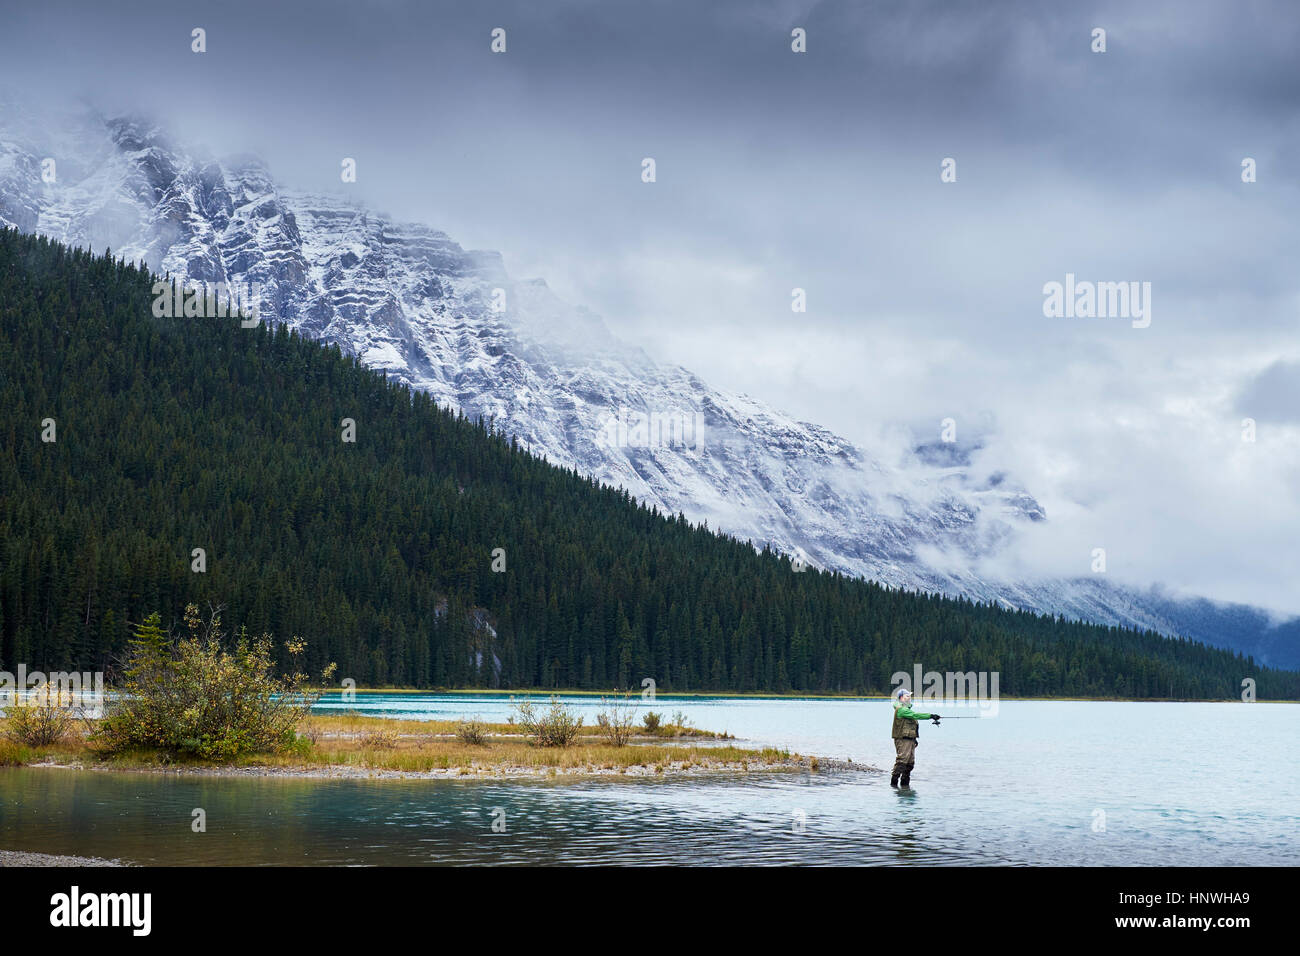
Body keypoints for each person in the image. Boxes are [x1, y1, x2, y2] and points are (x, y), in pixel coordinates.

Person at [890, 687, 939, 787]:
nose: (909, 698)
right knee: (902, 761)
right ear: (901, 698)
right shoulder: (902, 710)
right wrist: (931, 715)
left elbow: (910, 724)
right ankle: (894, 785)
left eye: (909, 696)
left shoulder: (905, 709)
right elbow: (916, 715)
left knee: (910, 763)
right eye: (907, 696)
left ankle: (904, 787)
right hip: (902, 739)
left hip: (910, 739)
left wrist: (914, 739)